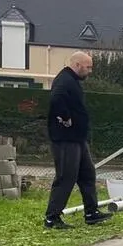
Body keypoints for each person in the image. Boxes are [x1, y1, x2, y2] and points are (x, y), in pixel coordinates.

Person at [43, 51, 112, 229]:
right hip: (66, 140)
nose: (90, 71)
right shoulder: (64, 80)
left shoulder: (72, 81)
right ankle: (52, 218)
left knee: (88, 174)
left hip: (78, 139)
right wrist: (65, 117)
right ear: (77, 65)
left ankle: (91, 212)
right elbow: (56, 99)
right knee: (66, 177)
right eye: (88, 67)